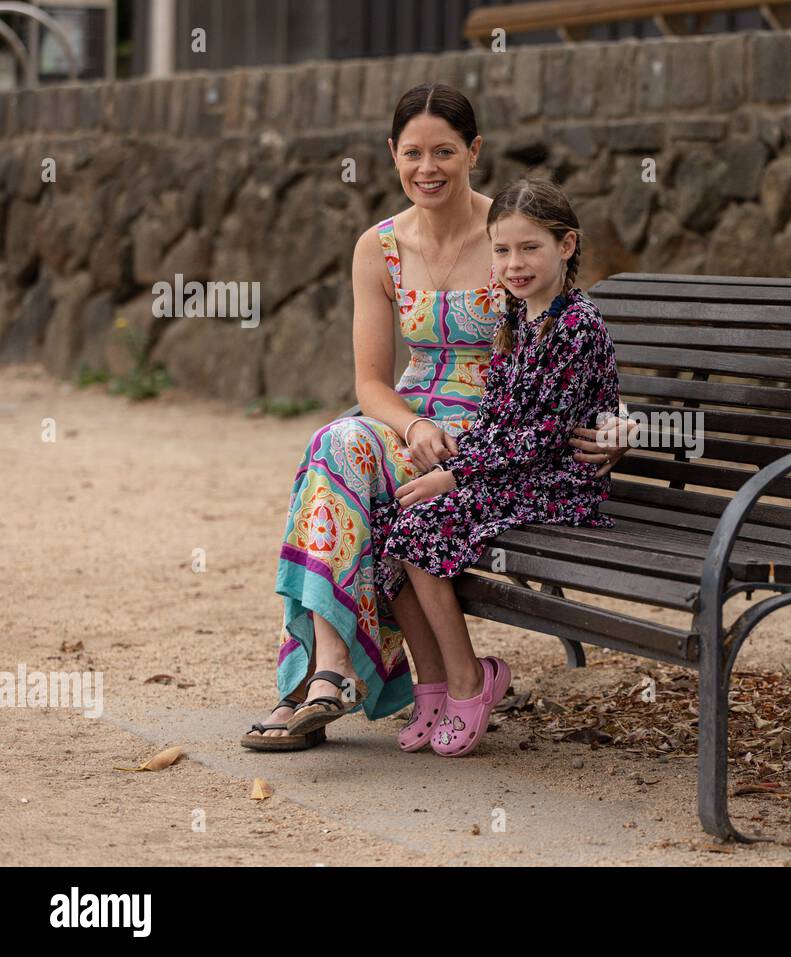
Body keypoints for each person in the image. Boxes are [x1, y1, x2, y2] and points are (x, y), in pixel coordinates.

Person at [241, 85, 630, 751]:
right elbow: (371, 382)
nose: (429, 167)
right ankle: (329, 668)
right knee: (338, 444)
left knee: (376, 488)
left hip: (490, 434)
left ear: (473, 151)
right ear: (393, 154)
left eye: (445, 151)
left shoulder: (509, 235)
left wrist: (619, 426)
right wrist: (414, 426)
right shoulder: (379, 246)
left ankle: (342, 678)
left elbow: (564, 362)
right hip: (414, 424)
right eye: (413, 152)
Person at [352, 175, 621, 757]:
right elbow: (497, 416)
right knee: (390, 525)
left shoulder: (578, 324)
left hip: (561, 482)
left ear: (565, 247)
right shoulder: (515, 317)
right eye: (502, 250)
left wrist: (456, 473)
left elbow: (541, 436)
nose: (514, 263)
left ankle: (471, 681)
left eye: (530, 248)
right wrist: (462, 460)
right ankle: (433, 685)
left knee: (420, 528)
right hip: (510, 473)